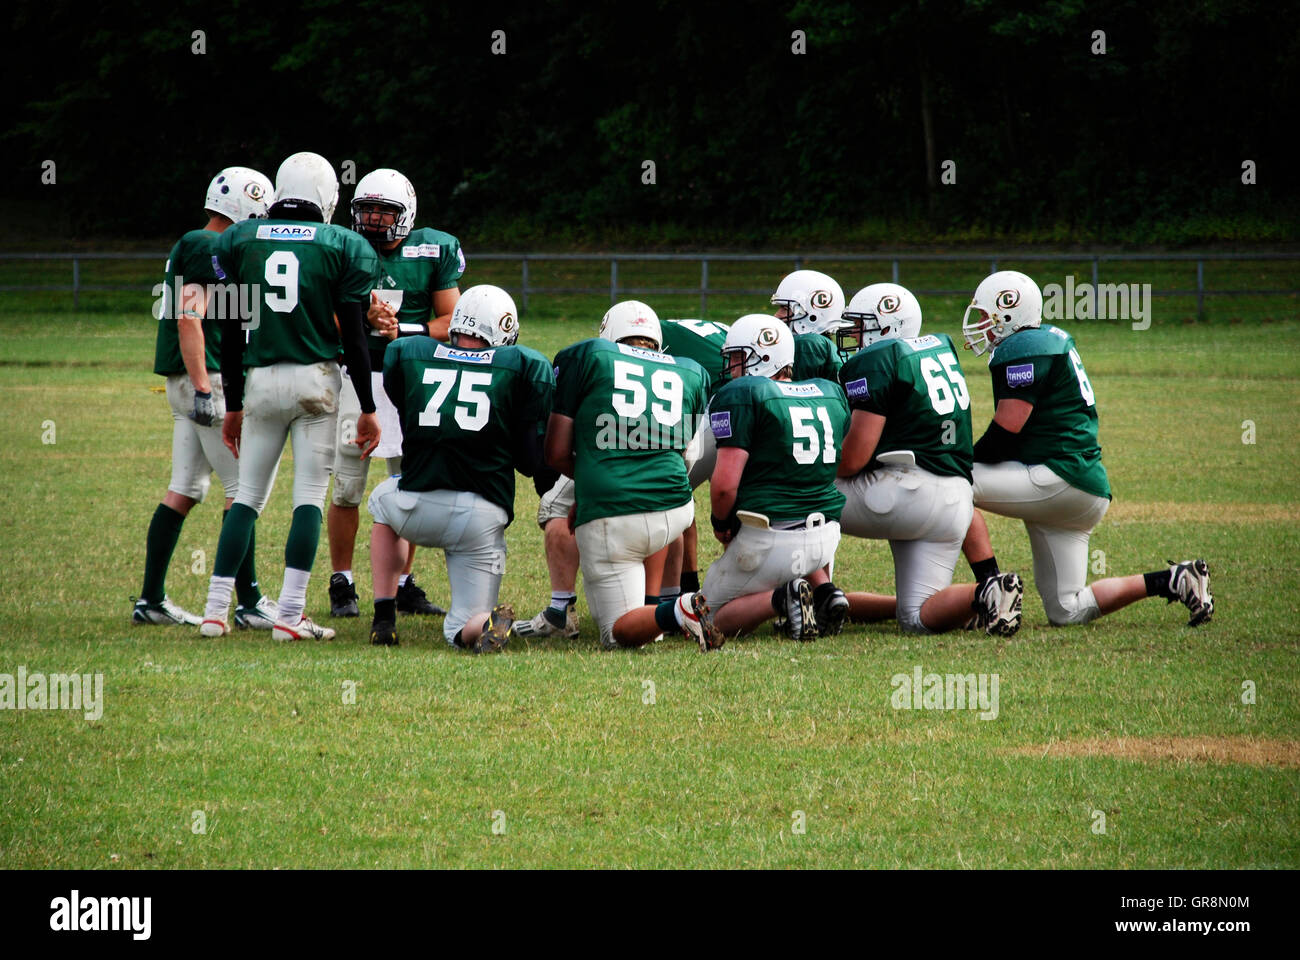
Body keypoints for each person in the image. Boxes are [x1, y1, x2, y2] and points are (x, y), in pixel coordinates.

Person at [959, 270, 1214, 627]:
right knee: (1067, 610)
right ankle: (1173, 580)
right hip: (1082, 490)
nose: (982, 326)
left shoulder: (1024, 346)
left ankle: (992, 588)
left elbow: (1006, 433)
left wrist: (959, 458)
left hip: (1057, 478)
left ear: (1008, 313)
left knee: (951, 483)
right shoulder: (1046, 339)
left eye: (987, 317)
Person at [197, 151, 381, 641]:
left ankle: (215, 611)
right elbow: (357, 339)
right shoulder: (343, 244)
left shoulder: (239, 239)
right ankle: (291, 613)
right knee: (309, 499)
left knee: (247, 498)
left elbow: (232, 332)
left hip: (259, 380)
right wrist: (367, 406)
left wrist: (233, 403)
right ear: (326, 195)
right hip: (315, 381)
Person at [366, 285, 554, 651]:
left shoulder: (409, 353)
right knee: (462, 627)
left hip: (416, 506)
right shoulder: (522, 366)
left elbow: (405, 407)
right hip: (482, 517)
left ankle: (384, 617)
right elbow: (530, 462)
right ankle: (484, 624)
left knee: (381, 501)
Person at [834, 282, 1025, 635]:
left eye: (860, 326)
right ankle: (987, 592)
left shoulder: (878, 358)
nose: (853, 335)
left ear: (886, 327)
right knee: (917, 618)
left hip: (903, 493)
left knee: (800, 495)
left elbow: (852, 460)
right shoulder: (940, 347)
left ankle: (809, 596)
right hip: (956, 501)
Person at [134, 166, 277, 629]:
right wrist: (202, 387)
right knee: (243, 493)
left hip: (188, 379)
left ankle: (151, 600)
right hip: (206, 380)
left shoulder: (197, 242)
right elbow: (189, 317)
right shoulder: (208, 245)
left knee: (186, 489)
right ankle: (250, 601)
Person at [326, 167, 463, 620]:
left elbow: (453, 323)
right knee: (347, 485)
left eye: (385, 212)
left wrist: (401, 327)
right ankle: (341, 581)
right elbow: (326, 317)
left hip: (414, 377)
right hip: (356, 375)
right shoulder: (345, 247)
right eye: (367, 211)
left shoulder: (434, 246)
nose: (375, 221)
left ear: (405, 213)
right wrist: (360, 321)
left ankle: (403, 584)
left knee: (411, 482)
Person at [547, 304, 720, 650]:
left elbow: (555, 453)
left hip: (614, 515)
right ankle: (657, 608)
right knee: (635, 618)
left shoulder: (588, 356)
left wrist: (593, 485)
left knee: (616, 635)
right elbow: (687, 459)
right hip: (674, 512)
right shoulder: (692, 371)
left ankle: (678, 610)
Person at [703, 315, 850, 640]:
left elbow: (725, 486)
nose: (732, 365)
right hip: (825, 540)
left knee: (705, 618)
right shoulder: (829, 391)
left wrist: (721, 523)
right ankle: (826, 591)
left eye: (738, 357)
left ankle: (781, 599)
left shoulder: (745, 392)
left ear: (762, 356)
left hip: (769, 538)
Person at [770, 269, 846, 381]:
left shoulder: (807, 346)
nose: (776, 315)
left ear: (812, 316)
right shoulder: (831, 349)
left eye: (785, 308)